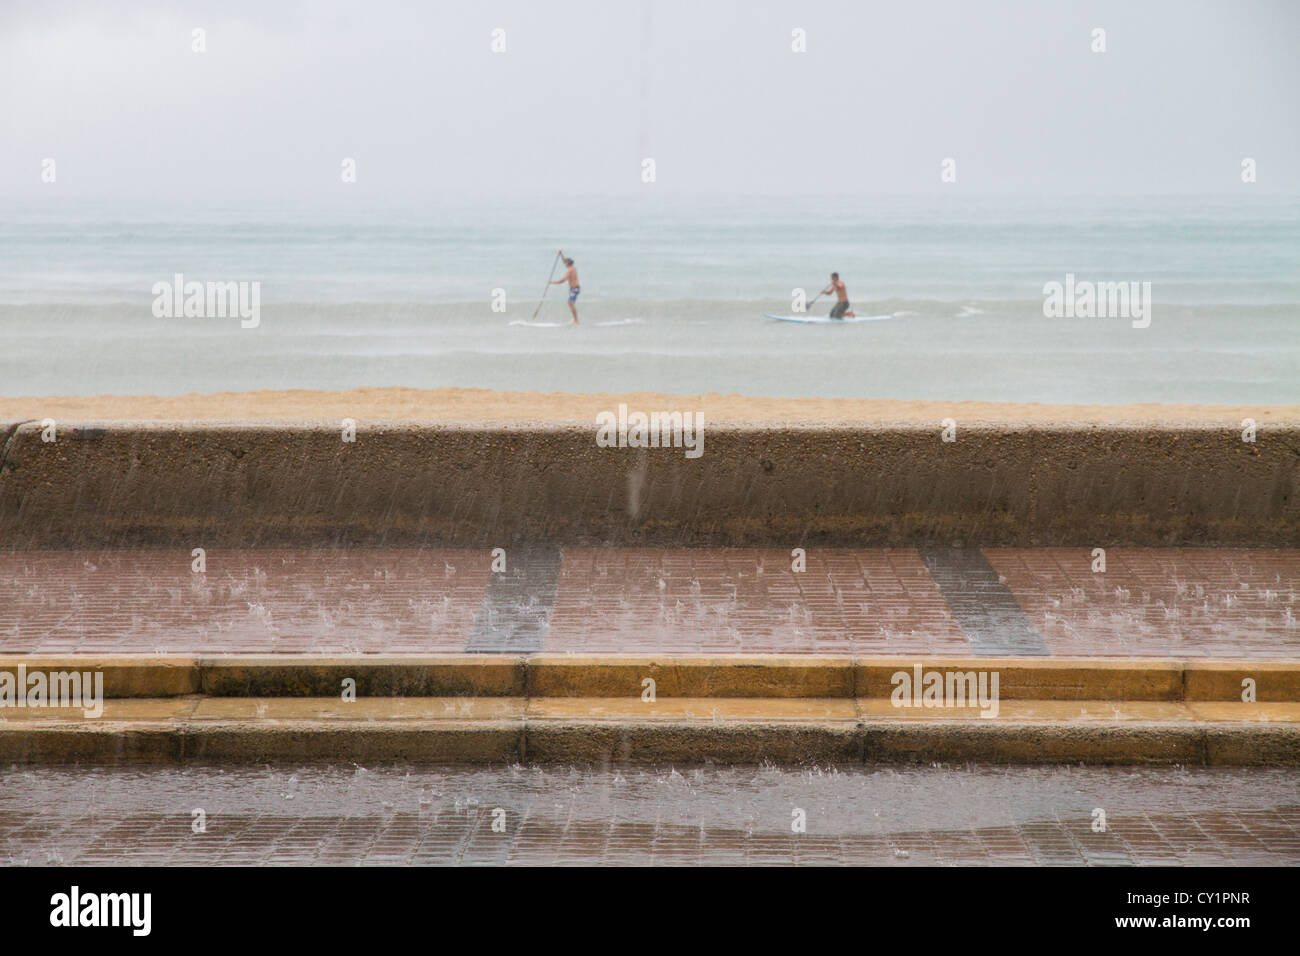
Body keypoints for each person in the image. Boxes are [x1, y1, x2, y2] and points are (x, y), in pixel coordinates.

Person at [549, 250, 580, 324]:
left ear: (567, 264)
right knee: (570, 303)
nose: (564, 264)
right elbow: (564, 261)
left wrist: (552, 282)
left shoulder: (570, 271)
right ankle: (575, 320)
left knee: (570, 303)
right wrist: (561, 254)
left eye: (565, 263)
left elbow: (562, 280)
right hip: (574, 288)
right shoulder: (573, 268)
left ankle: (576, 320)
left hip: (574, 289)